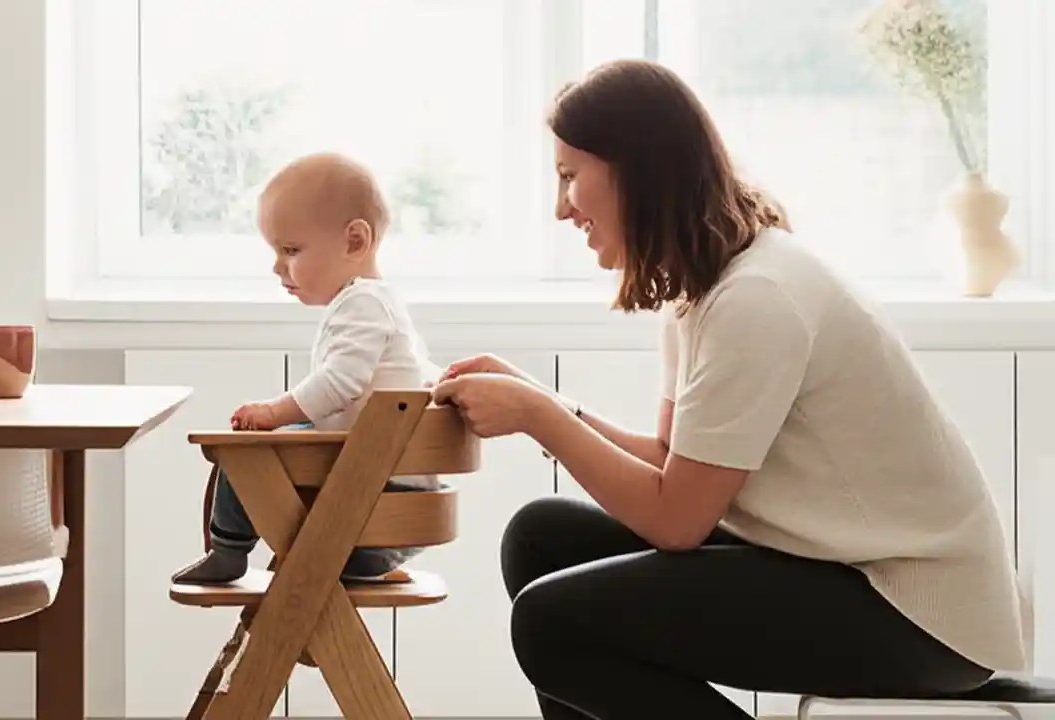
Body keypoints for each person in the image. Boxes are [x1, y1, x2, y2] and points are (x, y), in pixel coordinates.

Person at [432, 59, 1025, 719]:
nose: (560, 208)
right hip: (839, 569)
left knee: (551, 622)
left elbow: (678, 521)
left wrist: (540, 417)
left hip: (915, 609)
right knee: (541, 537)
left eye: (570, 177)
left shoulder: (756, 299)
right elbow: (671, 462)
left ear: (635, 169)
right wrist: (541, 400)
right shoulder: (705, 284)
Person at [174, 152, 440, 585]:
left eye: (291, 250)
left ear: (355, 242)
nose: (278, 266)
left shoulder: (364, 303)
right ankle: (270, 582)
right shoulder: (377, 304)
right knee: (265, 454)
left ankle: (228, 551)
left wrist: (274, 412)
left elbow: (340, 383)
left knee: (244, 454)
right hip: (377, 500)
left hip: (368, 506)